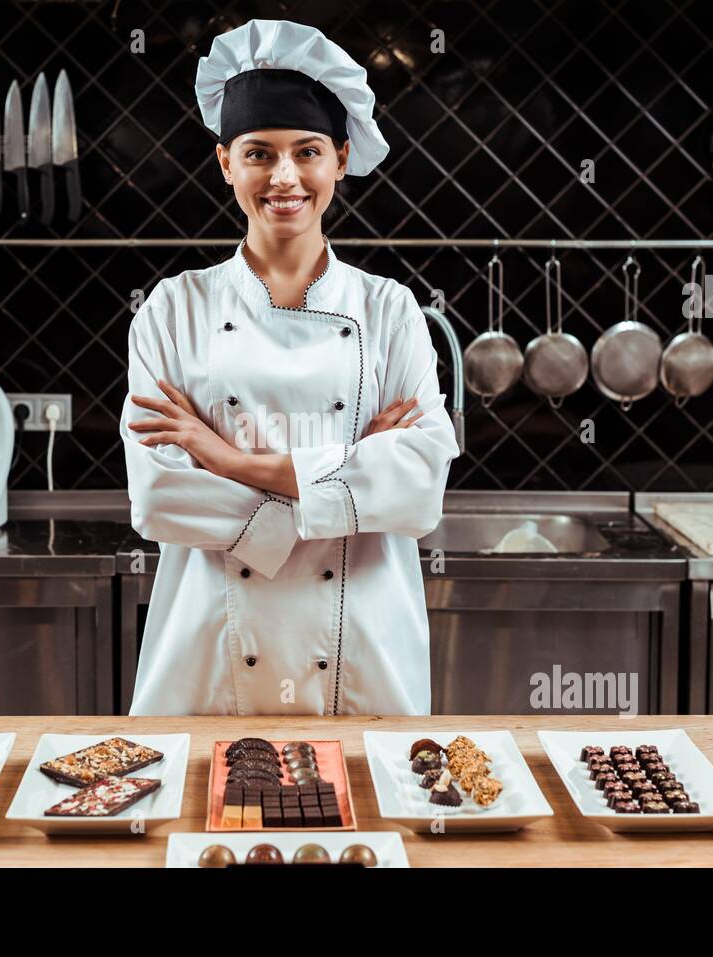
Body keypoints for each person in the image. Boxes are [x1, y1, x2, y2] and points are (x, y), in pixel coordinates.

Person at [121, 19, 459, 716]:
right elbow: (159, 498)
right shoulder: (172, 310)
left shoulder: (390, 311)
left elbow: (421, 491)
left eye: (306, 151)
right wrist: (355, 473)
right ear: (225, 162)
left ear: (339, 157)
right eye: (259, 153)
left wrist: (227, 460)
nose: (284, 177)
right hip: (208, 666)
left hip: (363, 661)